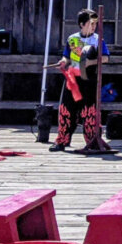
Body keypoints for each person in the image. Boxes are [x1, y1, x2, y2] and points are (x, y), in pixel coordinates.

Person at [51, 9, 114, 153]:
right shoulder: (73, 38)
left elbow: (105, 58)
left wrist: (90, 62)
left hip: (89, 79)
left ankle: (92, 140)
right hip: (73, 78)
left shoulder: (98, 39)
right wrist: (63, 61)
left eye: (95, 24)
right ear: (82, 24)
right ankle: (62, 140)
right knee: (66, 110)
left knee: (90, 111)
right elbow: (68, 57)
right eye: (91, 24)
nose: (93, 27)